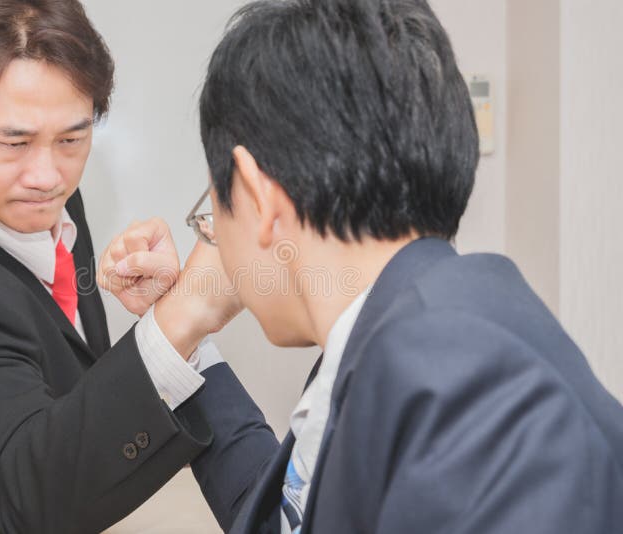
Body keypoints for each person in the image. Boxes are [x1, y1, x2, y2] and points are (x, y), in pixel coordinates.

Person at [103, 0, 623, 532]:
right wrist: (188, 335)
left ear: (258, 198)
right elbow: (288, 517)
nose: (216, 243)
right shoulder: (402, 342)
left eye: (212, 216)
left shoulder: (466, 394)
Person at [0, 1, 237, 532]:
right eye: (15, 142)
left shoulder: (44, 203)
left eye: (72, 139)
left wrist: (160, 316)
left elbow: (72, 385)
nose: (48, 176)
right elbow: (31, 498)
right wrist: (179, 319)